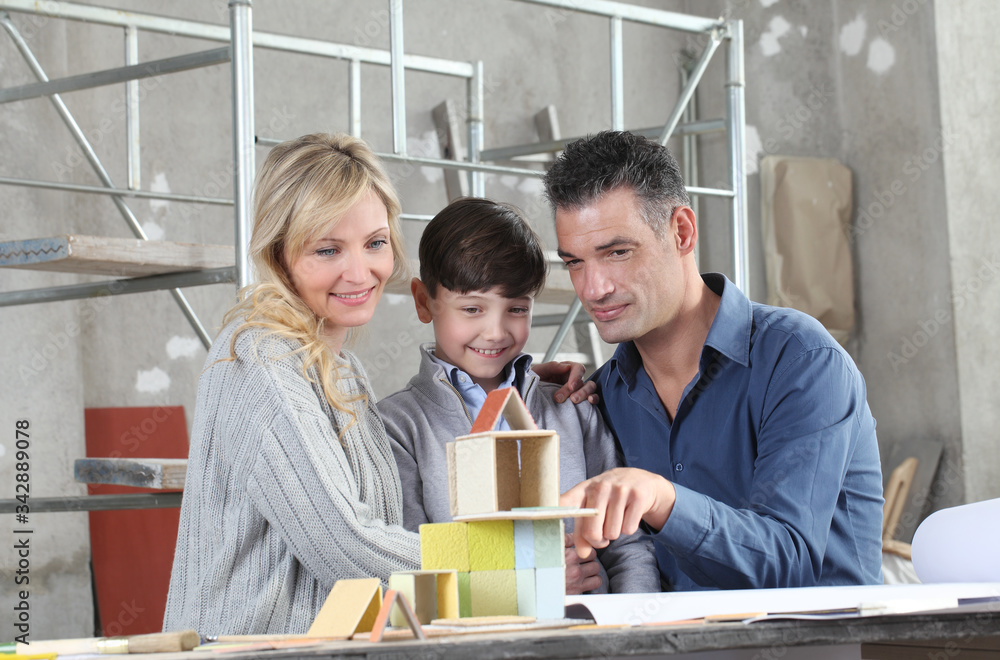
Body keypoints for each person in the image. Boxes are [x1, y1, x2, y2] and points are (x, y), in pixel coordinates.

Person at [547, 130, 883, 591]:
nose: (593, 289)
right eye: (575, 263)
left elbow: (788, 562)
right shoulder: (603, 396)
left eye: (617, 252)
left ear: (681, 231)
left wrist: (663, 499)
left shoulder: (802, 361)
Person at [164, 133, 421, 635]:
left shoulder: (341, 367)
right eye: (328, 249)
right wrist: (496, 563)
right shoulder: (260, 358)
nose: (359, 271)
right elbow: (345, 545)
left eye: (375, 243)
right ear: (280, 254)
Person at [377, 197, 659, 594]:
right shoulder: (396, 427)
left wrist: (634, 627)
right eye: (472, 309)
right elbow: (405, 561)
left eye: (516, 309)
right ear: (425, 302)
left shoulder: (572, 409)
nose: (495, 332)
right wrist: (528, 583)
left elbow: (627, 544)